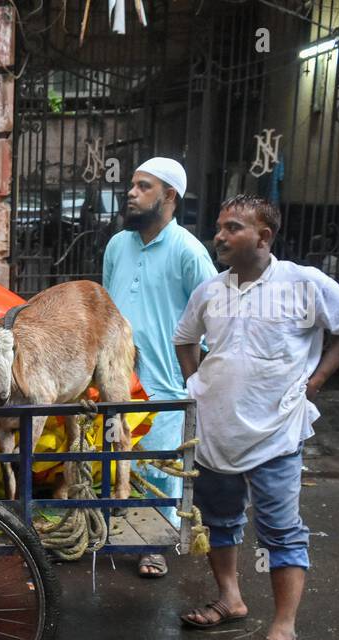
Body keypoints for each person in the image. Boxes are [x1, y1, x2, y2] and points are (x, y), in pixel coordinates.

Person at [173, 195, 339, 640]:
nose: (219, 236)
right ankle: (231, 599)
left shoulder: (303, 283)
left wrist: (317, 380)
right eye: (219, 227)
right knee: (219, 520)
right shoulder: (209, 291)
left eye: (232, 228)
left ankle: (284, 633)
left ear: (264, 237)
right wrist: (196, 384)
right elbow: (184, 338)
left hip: (277, 433)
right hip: (216, 430)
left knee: (281, 531)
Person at [102, 157, 217, 580]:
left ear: (169, 196)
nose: (131, 192)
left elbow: (213, 321)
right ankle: (109, 528)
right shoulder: (117, 245)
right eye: (131, 185)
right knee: (114, 458)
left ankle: (155, 544)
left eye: (143, 186)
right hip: (118, 376)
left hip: (166, 383)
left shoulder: (190, 252)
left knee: (159, 465)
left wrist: (197, 377)